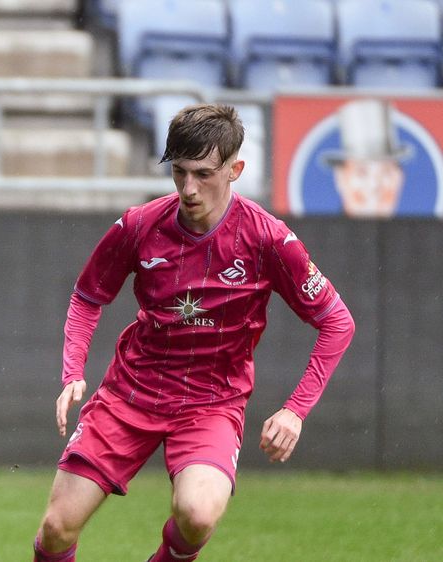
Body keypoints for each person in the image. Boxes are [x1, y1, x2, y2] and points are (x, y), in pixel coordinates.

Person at [32, 103, 354, 562]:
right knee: (57, 528)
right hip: (131, 392)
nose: (188, 188)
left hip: (212, 402)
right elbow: (87, 296)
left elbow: (337, 321)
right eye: (179, 172)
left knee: (198, 514)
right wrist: (72, 372)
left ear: (235, 169)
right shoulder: (139, 225)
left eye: (203, 174)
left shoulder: (269, 240)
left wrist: (295, 411)